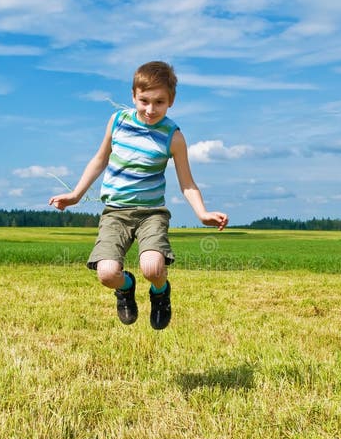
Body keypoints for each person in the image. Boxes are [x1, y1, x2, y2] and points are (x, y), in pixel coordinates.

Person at [49, 61, 228, 329]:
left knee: (153, 268)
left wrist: (202, 213)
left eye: (159, 102)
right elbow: (100, 159)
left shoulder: (173, 137)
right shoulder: (118, 122)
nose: (150, 109)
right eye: (144, 100)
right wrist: (75, 195)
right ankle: (126, 287)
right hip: (116, 213)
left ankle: (160, 293)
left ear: (171, 101)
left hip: (151, 214)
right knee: (107, 273)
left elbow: (187, 183)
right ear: (133, 95)